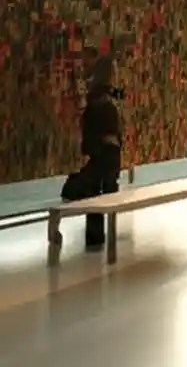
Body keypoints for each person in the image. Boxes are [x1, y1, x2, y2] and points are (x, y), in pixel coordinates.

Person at [79, 52, 122, 250]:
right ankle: (98, 239)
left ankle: (97, 239)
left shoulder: (99, 95)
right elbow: (105, 128)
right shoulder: (101, 100)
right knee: (104, 195)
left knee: (99, 195)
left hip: (102, 153)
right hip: (106, 154)